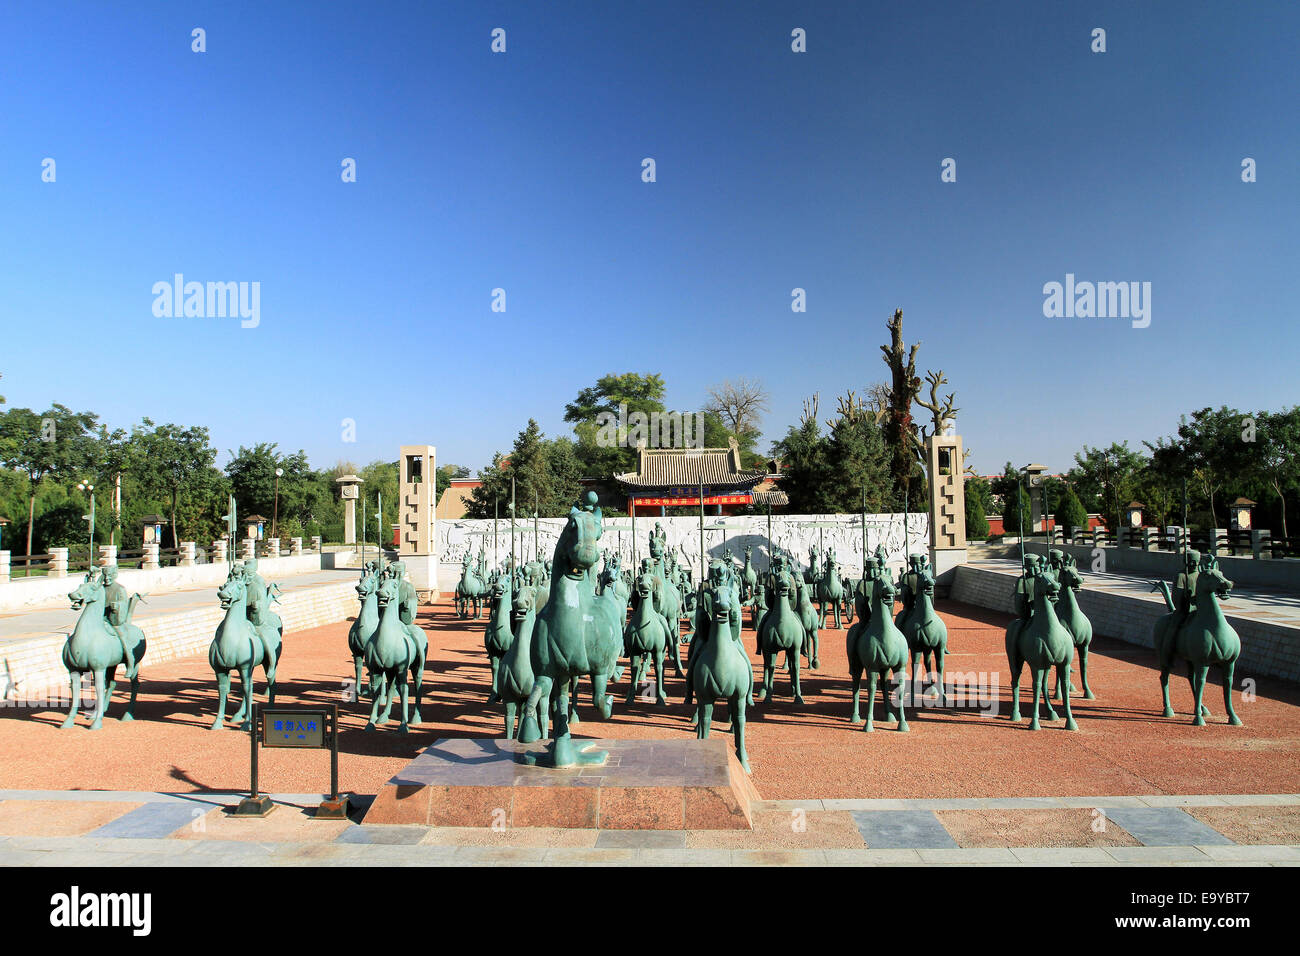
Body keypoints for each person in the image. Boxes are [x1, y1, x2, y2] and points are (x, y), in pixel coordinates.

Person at [100, 565, 137, 678]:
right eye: (104, 575)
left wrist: (117, 607)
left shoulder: (120, 589)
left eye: (109, 575)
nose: (106, 578)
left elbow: (123, 604)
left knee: (123, 639)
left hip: (114, 620)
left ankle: (130, 663)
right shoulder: (100, 588)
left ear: (114, 576)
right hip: (100, 619)